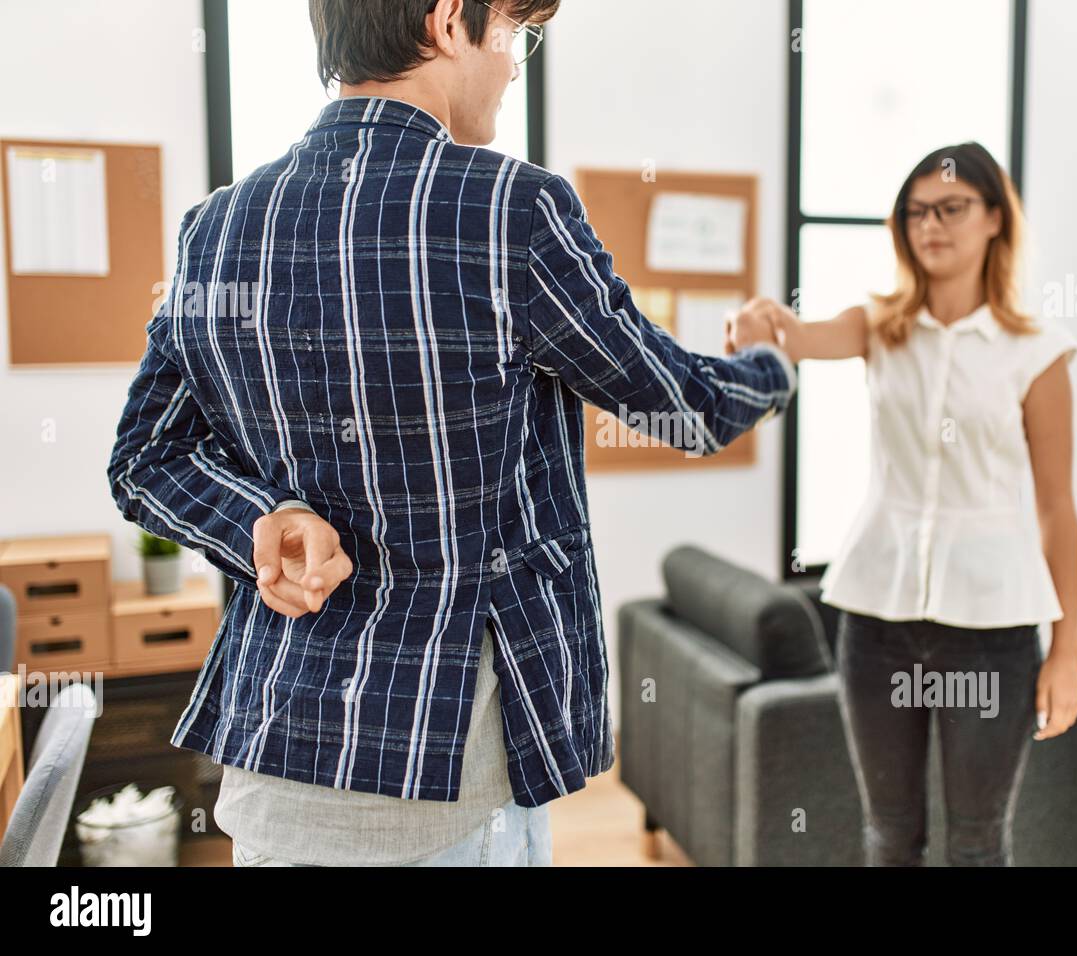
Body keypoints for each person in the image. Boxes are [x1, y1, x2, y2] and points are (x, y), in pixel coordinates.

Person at [106, 0, 795, 867]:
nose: (516, 63)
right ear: (446, 22)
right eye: (515, 31)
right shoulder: (510, 210)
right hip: (448, 772)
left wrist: (260, 521)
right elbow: (681, 406)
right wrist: (773, 369)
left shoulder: (215, 228)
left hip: (279, 760)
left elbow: (144, 458)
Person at [736, 141, 1077, 865]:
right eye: (916, 211)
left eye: (951, 207)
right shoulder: (879, 325)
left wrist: (1067, 653)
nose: (931, 224)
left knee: (978, 842)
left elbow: (1058, 510)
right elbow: (793, 339)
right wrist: (763, 322)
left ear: (994, 218)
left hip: (994, 628)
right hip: (876, 619)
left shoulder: (1037, 351)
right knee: (889, 835)